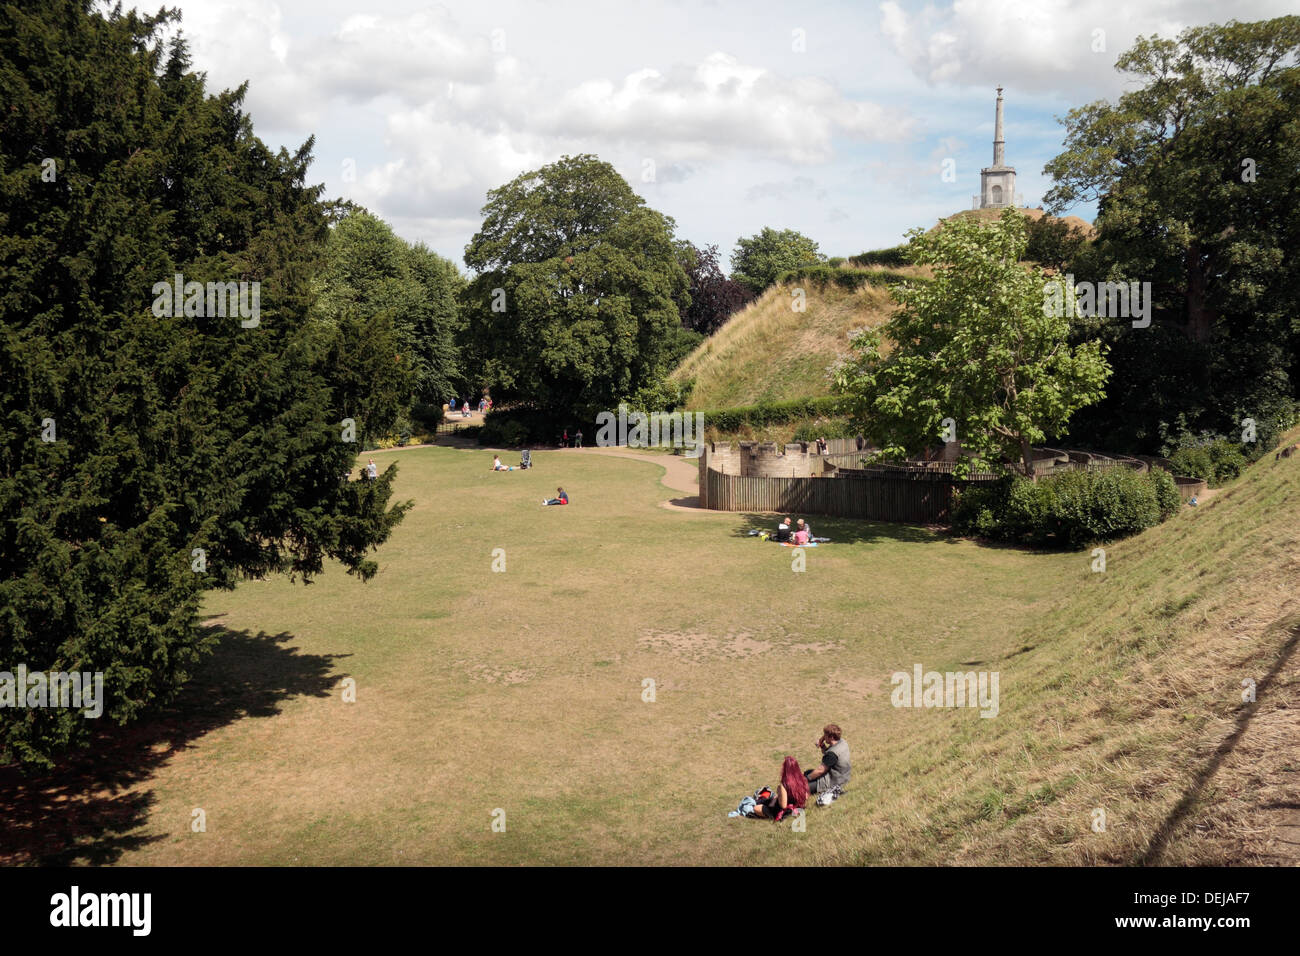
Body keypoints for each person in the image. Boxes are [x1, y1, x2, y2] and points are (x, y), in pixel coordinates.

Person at [805, 723, 850, 796]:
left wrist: (805, 780)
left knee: (804, 786)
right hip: (844, 776)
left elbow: (820, 771)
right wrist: (822, 743)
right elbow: (827, 752)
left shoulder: (832, 754)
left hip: (835, 781)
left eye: (825, 735)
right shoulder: (842, 742)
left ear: (831, 737)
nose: (823, 737)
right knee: (808, 772)